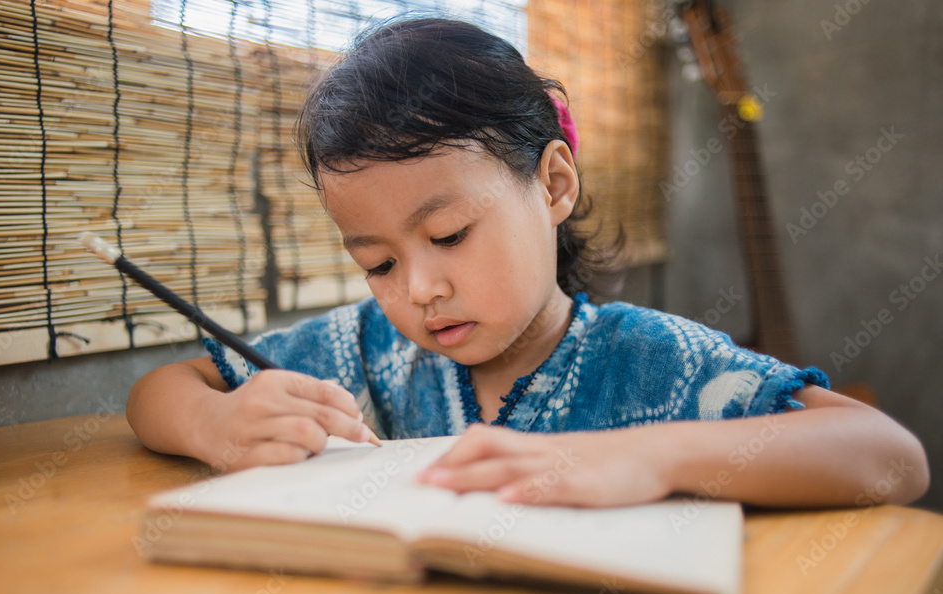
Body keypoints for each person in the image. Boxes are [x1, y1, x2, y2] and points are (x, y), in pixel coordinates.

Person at [126, 17, 929, 509]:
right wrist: (217, 423)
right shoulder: (366, 354)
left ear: (552, 184)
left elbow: (889, 457)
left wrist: (646, 457)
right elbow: (161, 391)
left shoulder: (648, 363)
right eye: (376, 262)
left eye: (447, 236)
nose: (420, 289)